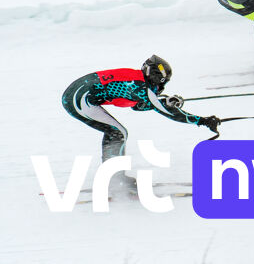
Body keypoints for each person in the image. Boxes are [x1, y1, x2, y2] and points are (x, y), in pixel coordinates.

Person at [61, 55, 219, 190]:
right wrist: (203, 121)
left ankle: (113, 175)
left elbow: (139, 106)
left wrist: (164, 102)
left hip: (78, 94)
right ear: (154, 77)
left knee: (117, 131)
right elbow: (167, 113)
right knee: (117, 132)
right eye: (161, 82)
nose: (161, 86)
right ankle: (113, 178)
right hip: (78, 99)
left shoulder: (137, 80)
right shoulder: (140, 86)